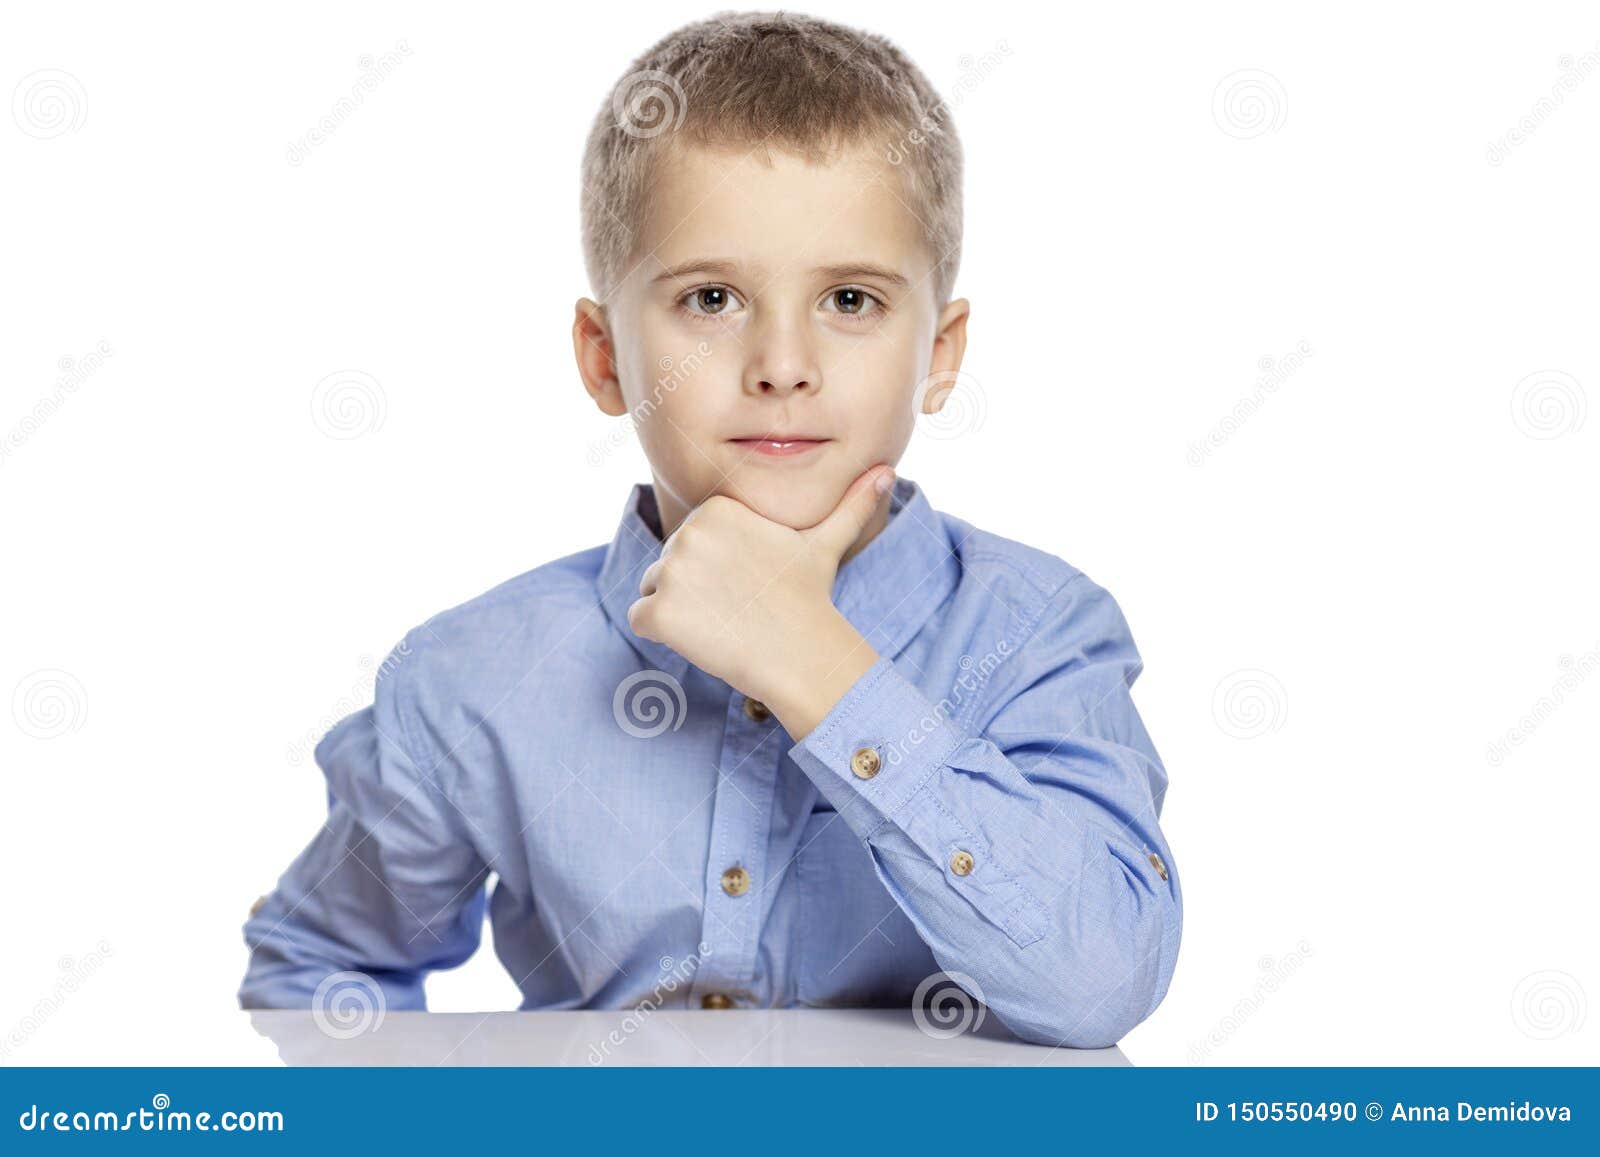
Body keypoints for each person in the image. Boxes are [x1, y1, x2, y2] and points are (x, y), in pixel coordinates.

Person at [239, 9, 1181, 1049]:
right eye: (713, 297)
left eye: (851, 299)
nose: (782, 364)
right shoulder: (472, 678)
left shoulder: (1038, 634)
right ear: (604, 357)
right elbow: (316, 974)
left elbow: (1100, 981)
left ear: (941, 353)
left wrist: (818, 666)